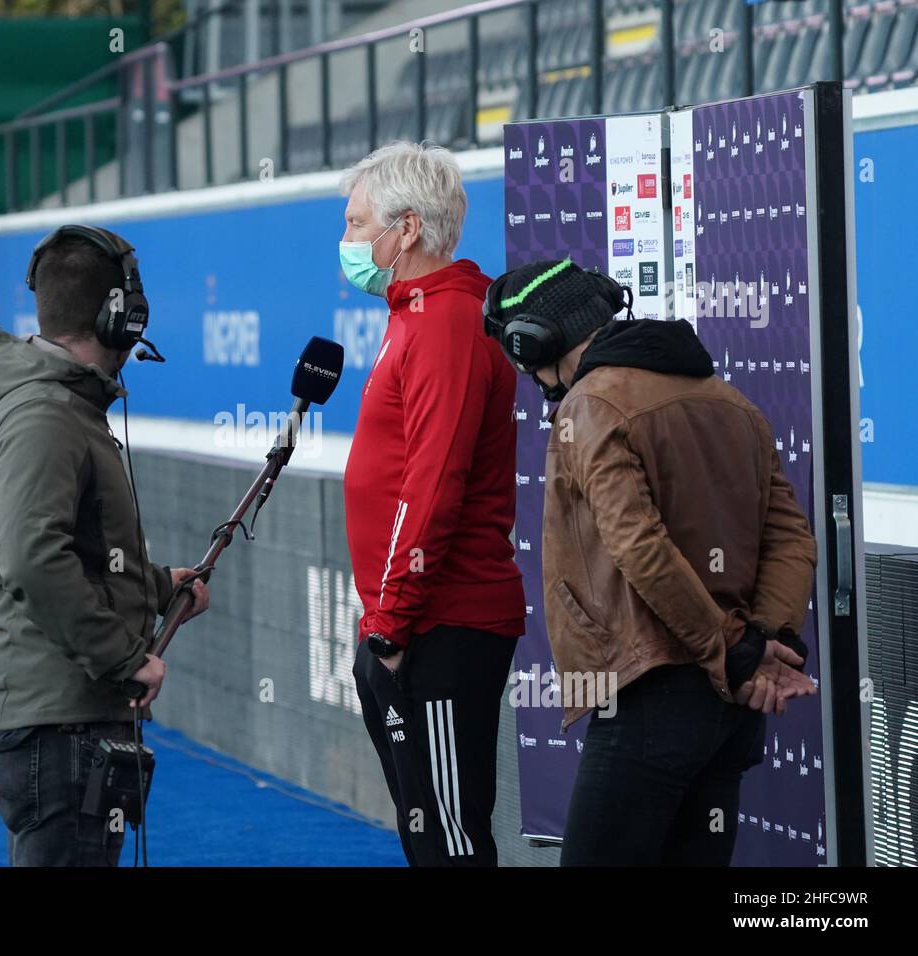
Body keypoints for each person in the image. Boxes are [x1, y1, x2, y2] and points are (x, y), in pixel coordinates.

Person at [484, 256, 819, 866]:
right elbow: (792, 537)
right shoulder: (732, 401)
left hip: (649, 699)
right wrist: (764, 641)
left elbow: (639, 546)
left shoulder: (591, 405)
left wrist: (737, 649)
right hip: (729, 710)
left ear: (536, 340)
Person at [0, 224, 209, 867]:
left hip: (63, 719)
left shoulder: (60, 409)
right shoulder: (45, 415)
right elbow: (33, 559)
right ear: (117, 315)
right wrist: (125, 658)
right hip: (58, 723)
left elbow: (81, 553)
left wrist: (157, 587)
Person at [341, 142, 526, 866]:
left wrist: (389, 622)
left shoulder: (447, 321)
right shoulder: (418, 313)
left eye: (357, 224)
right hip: (416, 619)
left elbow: (433, 483)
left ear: (407, 229)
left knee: (448, 834)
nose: (348, 242)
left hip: (439, 625)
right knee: (428, 829)